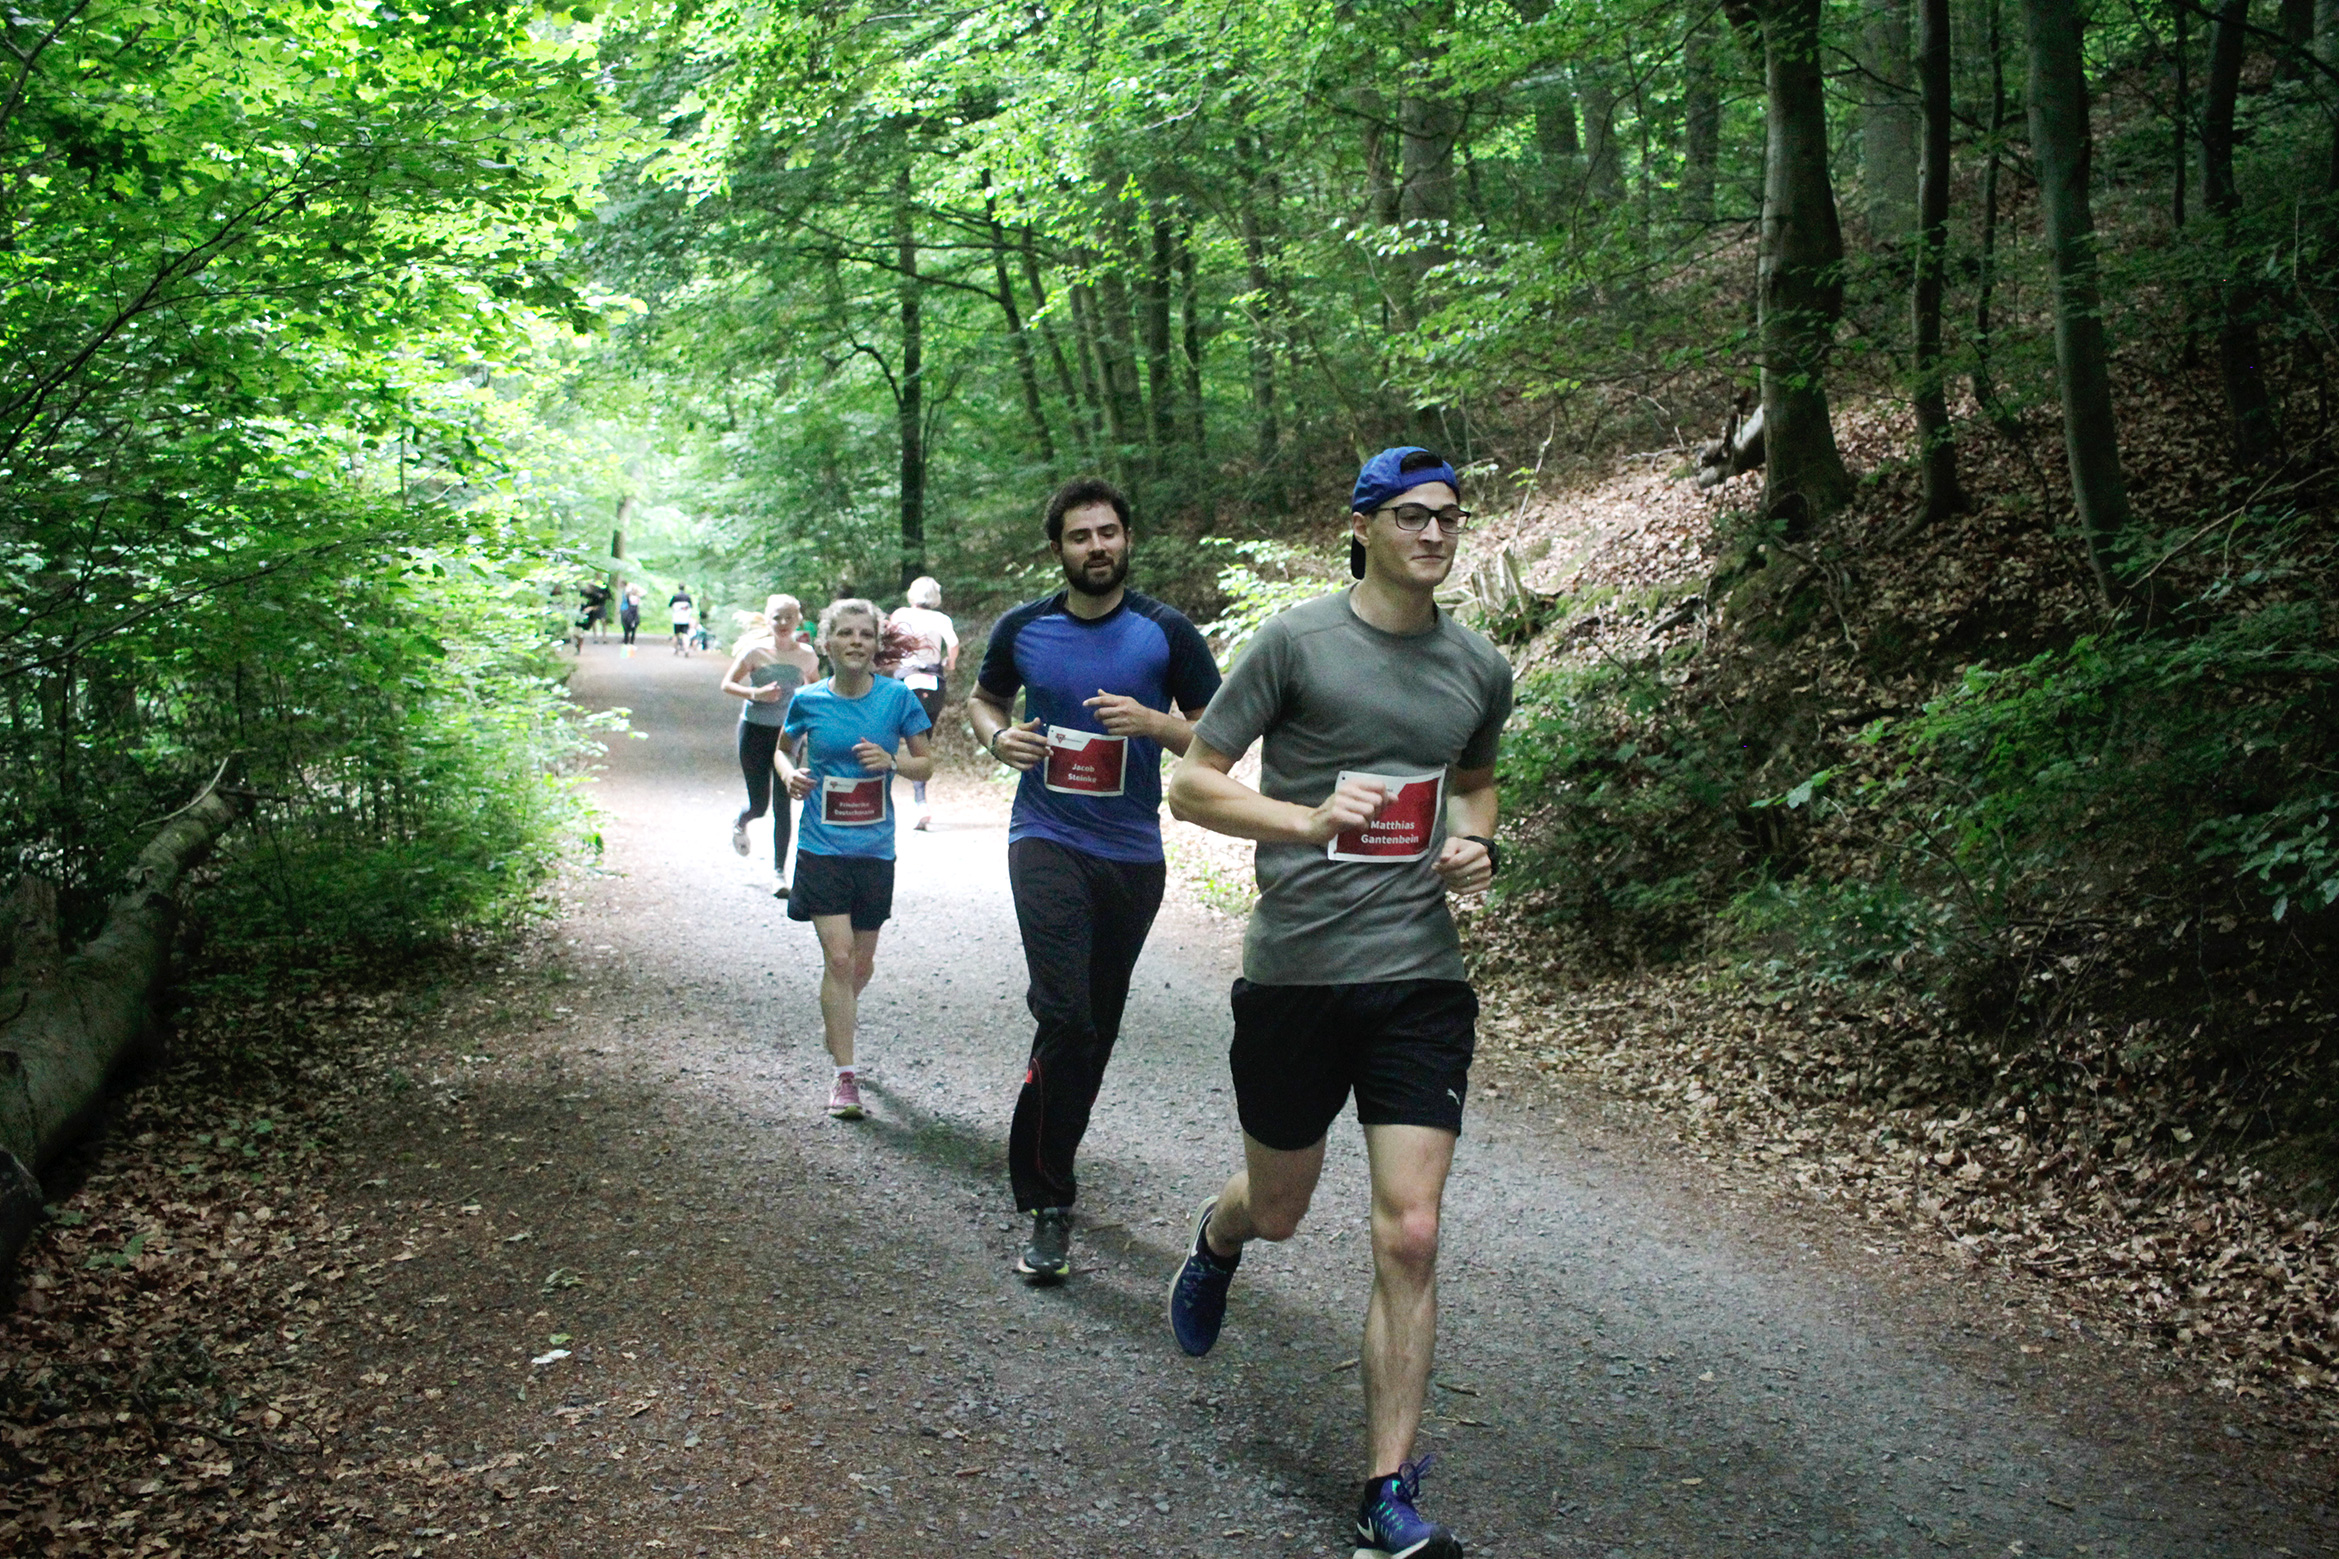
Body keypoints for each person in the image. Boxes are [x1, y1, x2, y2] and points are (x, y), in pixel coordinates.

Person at [1161, 447, 1511, 1559]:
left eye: (1451, 517)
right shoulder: (1296, 642)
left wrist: (1477, 844)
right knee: (1278, 1206)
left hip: (1417, 975)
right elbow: (1192, 778)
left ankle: (1384, 1489)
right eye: (1413, 515)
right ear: (1358, 524)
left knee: (1409, 1229)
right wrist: (1307, 819)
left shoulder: (1478, 663)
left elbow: (1476, 780)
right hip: (1296, 971)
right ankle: (1218, 1236)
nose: (1437, 533)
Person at [967, 477, 1222, 1283]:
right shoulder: (1024, 627)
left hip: (1131, 854)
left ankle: (1047, 1146)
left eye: (1108, 532)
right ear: (1060, 550)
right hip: (1043, 836)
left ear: (1127, 539)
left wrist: (1154, 724)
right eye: (1080, 536)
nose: (1097, 547)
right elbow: (983, 701)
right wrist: (996, 738)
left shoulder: (1164, 632)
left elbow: (1217, 738)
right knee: (1067, 1012)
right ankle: (1047, 1201)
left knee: (1091, 1029)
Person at [778, 599, 934, 1120]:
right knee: (839, 957)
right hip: (821, 847)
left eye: (865, 634)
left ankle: (836, 1018)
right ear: (827, 643)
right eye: (845, 633)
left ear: (875, 644)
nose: (856, 642)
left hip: (874, 851)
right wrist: (788, 774)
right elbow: (782, 749)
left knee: (860, 965)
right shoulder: (808, 700)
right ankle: (845, 1077)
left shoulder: (896, 699)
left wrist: (894, 762)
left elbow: (926, 763)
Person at [720, 594, 820, 892]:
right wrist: (756, 693)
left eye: (789, 617)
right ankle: (742, 819)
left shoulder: (807, 655)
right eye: (777, 617)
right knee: (760, 804)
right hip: (753, 732)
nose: (784, 623)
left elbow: (814, 689)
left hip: (788, 738)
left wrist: (814, 722)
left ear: (798, 620)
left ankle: (779, 873)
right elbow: (727, 684)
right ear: (768, 619)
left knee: (783, 804)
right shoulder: (754, 651)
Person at [887, 577, 960, 831]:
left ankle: (877, 795)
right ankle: (921, 804)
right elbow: (953, 644)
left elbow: (889, 642)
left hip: (904, 677)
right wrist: (950, 664)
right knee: (922, 744)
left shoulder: (899, 615)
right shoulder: (941, 619)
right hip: (933, 679)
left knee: (887, 735)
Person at [669, 585, 697, 656]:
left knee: (676, 634)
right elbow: (691, 606)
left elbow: (670, 605)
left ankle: (676, 649)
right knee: (685, 634)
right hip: (685, 619)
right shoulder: (688, 597)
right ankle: (686, 649)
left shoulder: (675, 597)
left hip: (676, 619)